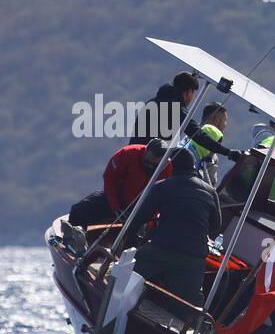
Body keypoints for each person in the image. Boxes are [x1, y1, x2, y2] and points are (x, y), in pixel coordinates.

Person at [130, 147, 222, 307]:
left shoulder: (163, 186)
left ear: (172, 166)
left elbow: (139, 218)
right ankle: (198, 328)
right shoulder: (210, 191)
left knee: (126, 276)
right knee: (190, 304)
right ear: (193, 166)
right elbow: (216, 226)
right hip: (194, 256)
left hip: (162, 248)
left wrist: (130, 242)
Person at [67, 139, 169, 227]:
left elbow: (163, 198)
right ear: (145, 151)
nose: (150, 166)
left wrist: (149, 221)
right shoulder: (128, 153)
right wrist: (115, 207)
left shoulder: (168, 167)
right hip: (116, 201)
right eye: (148, 162)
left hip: (142, 210)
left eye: (155, 165)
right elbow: (109, 178)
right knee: (78, 211)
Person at [183, 102, 243, 184]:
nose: (226, 125)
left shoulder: (187, 138)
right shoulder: (211, 131)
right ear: (216, 120)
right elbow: (210, 182)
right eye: (225, 121)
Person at [131, 71, 198, 143]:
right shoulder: (175, 109)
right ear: (188, 92)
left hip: (133, 151)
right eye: (193, 92)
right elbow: (196, 133)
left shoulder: (153, 102)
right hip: (147, 153)